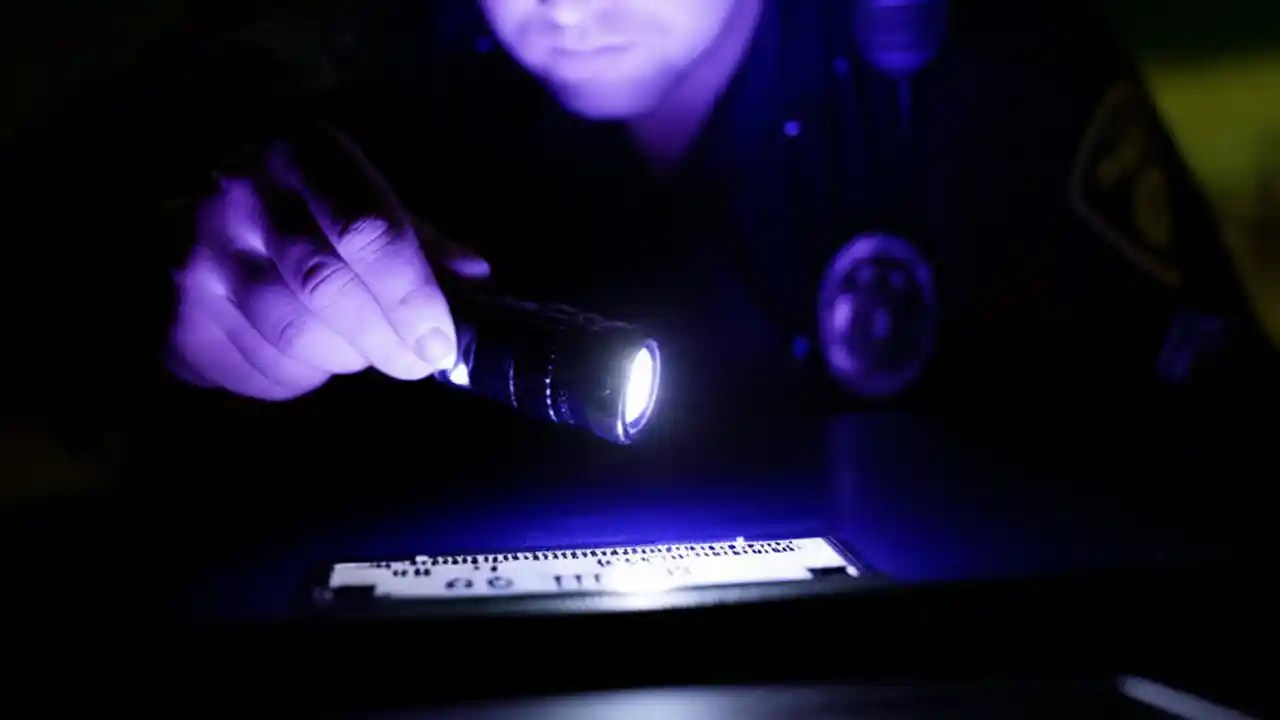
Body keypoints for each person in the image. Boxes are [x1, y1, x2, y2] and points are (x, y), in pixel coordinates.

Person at [7, 0, 1272, 468]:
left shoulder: (992, 83)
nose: (556, 3)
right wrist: (172, 315)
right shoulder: (392, 80)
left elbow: (1210, 461)